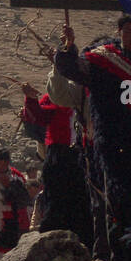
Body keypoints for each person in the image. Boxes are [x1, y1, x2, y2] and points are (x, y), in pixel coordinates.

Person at [47, 15, 131, 261]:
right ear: (119, 32)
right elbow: (72, 68)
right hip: (114, 145)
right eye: (129, 30)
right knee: (115, 206)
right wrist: (68, 46)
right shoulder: (102, 61)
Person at [21, 82, 92, 247]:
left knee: (85, 199)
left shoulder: (90, 93)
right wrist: (31, 100)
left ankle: (87, 242)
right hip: (59, 154)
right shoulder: (54, 97)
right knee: (56, 197)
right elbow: (39, 117)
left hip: (85, 152)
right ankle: (54, 242)